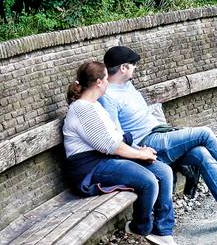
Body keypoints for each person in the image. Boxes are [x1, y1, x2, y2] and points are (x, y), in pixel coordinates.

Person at [100, 46, 217, 229]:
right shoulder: (108, 97)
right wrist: (139, 151)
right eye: (133, 65)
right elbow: (116, 136)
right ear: (123, 67)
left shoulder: (127, 84)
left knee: (201, 154)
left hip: (161, 133)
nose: (135, 68)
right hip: (148, 143)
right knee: (204, 133)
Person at [62, 61, 177, 245]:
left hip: (106, 158)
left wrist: (138, 149)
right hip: (90, 169)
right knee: (148, 181)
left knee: (164, 172)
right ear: (99, 82)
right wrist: (141, 155)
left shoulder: (95, 105)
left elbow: (115, 137)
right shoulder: (81, 108)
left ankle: (163, 230)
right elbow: (110, 145)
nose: (109, 82)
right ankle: (140, 228)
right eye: (107, 78)